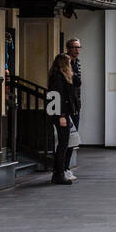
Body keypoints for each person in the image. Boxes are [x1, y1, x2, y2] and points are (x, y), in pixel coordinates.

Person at [48, 53, 79, 184]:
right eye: (69, 63)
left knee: (64, 144)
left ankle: (58, 173)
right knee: (62, 144)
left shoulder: (65, 76)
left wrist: (72, 72)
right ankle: (58, 174)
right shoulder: (58, 78)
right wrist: (61, 116)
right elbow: (57, 96)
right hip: (60, 114)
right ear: (64, 64)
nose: (71, 65)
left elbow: (78, 82)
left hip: (64, 113)